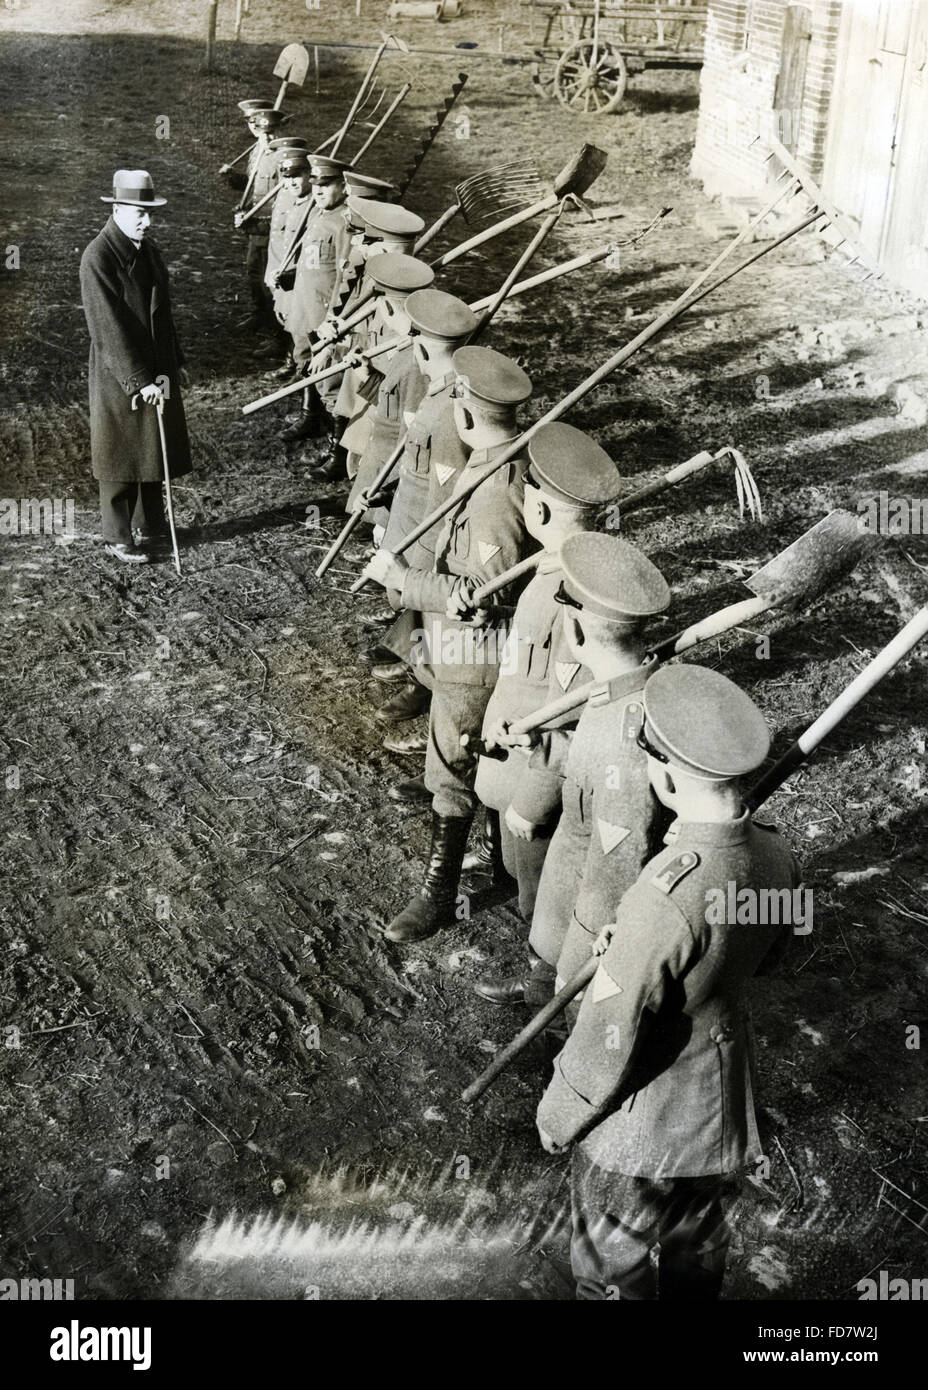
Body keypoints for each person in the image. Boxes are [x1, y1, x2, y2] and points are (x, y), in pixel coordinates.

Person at [535, 663, 802, 1300]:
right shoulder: (778, 854)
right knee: (698, 1246)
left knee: (609, 1261)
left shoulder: (668, 893)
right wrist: (661, 953)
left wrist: (561, 1112)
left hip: (641, 1119)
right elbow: (789, 951)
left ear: (665, 772)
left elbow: (610, 1031)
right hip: (717, 1106)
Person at [361, 346, 533, 944]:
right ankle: (492, 849)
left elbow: (483, 593)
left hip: (476, 651)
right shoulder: (501, 458)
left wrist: (400, 579)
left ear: (464, 409)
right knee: (466, 750)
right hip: (462, 646)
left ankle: (439, 892)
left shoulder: (493, 490)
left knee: (451, 766)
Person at [464, 427, 624, 998]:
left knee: (548, 891)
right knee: (526, 875)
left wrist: (532, 801)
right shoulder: (555, 570)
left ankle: (542, 982)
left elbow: (574, 716)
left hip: (538, 779)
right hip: (517, 763)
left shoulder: (575, 597)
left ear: (536, 507)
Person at [486, 531, 671, 1008]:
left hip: (590, 920)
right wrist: (544, 748)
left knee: (571, 1012)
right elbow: (590, 762)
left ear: (577, 631)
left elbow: (613, 873)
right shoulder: (615, 693)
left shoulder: (628, 728)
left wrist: (576, 959)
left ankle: (551, 1015)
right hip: (569, 888)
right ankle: (540, 988)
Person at [372, 288, 478, 750]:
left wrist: (426, 559)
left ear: (419, 345)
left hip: (429, 537)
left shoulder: (448, 409)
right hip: (411, 525)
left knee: (436, 622)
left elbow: (444, 496)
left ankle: (434, 706)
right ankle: (418, 673)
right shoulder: (438, 391)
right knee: (419, 620)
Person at [79, 169, 191, 564]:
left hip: (156, 364)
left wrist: (174, 362)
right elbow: (107, 328)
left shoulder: (149, 251)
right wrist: (138, 379)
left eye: (150, 212)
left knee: (151, 447)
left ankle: (150, 525)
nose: (147, 221)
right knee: (120, 450)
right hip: (119, 369)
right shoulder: (98, 257)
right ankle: (118, 534)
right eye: (139, 213)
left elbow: (165, 314)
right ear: (117, 209)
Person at [282, 154, 353, 444]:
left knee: (330, 379)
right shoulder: (318, 215)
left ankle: (339, 448)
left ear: (344, 186)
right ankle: (311, 417)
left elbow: (344, 279)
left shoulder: (345, 223)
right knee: (304, 364)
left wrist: (333, 323)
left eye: (327, 184)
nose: (319, 189)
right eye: (316, 183)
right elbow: (312, 264)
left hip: (324, 317)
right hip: (304, 311)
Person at [227, 103, 287, 332]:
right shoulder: (258, 150)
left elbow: (284, 199)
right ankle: (260, 314)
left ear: (280, 130)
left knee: (268, 278)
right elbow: (255, 188)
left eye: (272, 132)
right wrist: (234, 180)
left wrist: (256, 219)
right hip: (255, 225)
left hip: (271, 228)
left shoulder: (283, 158)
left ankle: (275, 330)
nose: (267, 137)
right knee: (254, 272)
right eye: (263, 132)